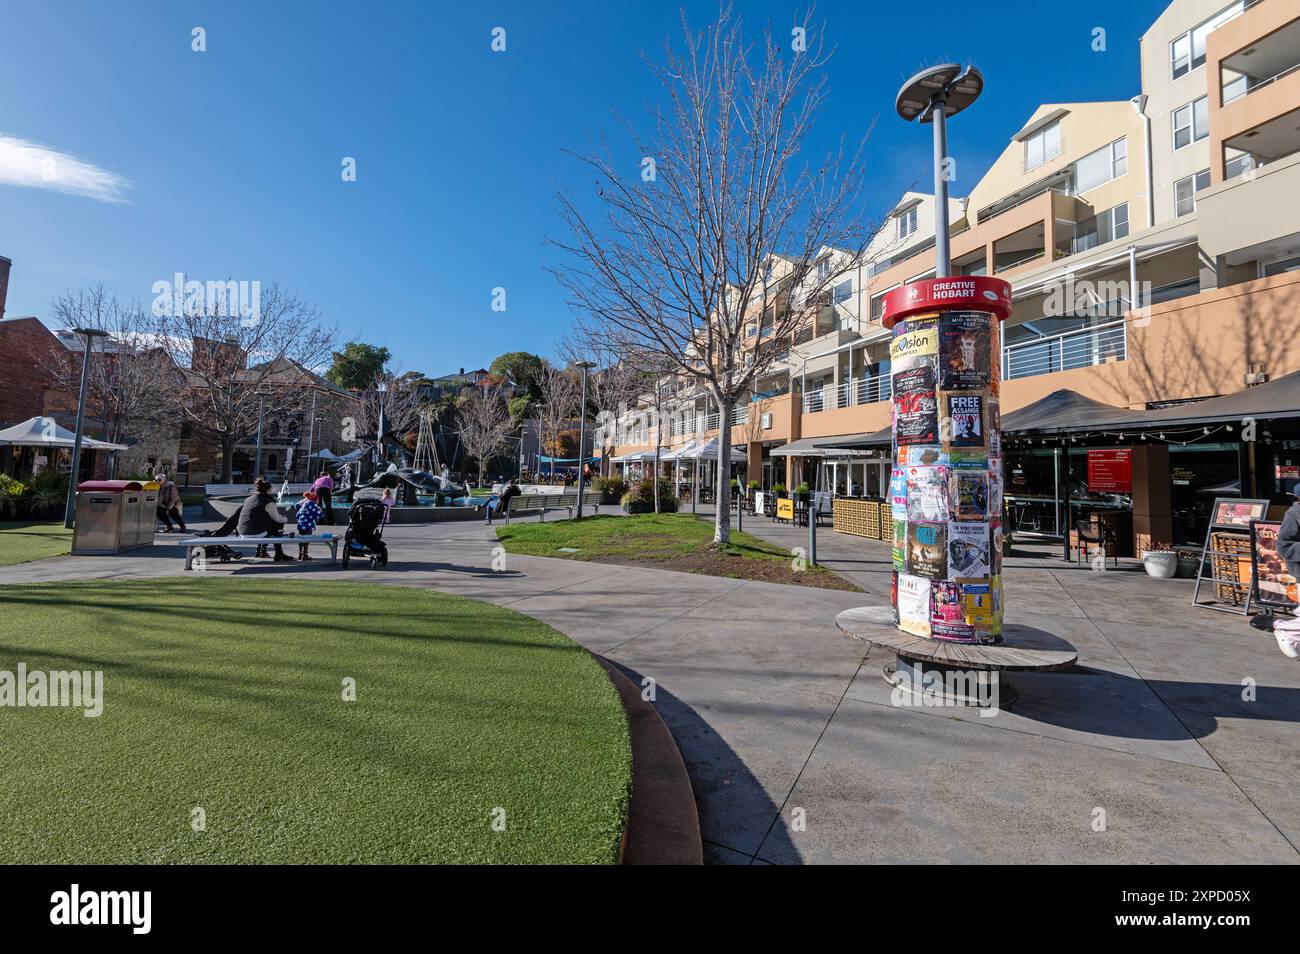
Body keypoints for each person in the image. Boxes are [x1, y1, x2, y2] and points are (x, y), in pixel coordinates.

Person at [237, 477, 292, 562]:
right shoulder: (268, 502)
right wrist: (285, 519)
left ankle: (261, 551)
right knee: (278, 523)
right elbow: (277, 519)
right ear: (269, 489)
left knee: (262, 522)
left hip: (243, 532)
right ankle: (278, 553)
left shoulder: (248, 499)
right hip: (256, 533)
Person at [295, 490, 325, 561]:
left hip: (301, 525)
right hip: (308, 525)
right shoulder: (313, 504)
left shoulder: (304, 504)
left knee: (301, 539)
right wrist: (321, 511)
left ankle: (300, 554)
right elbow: (320, 515)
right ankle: (305, 555)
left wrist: (301, 521)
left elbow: (297, 514)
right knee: (307, 539)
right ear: (316, 500)